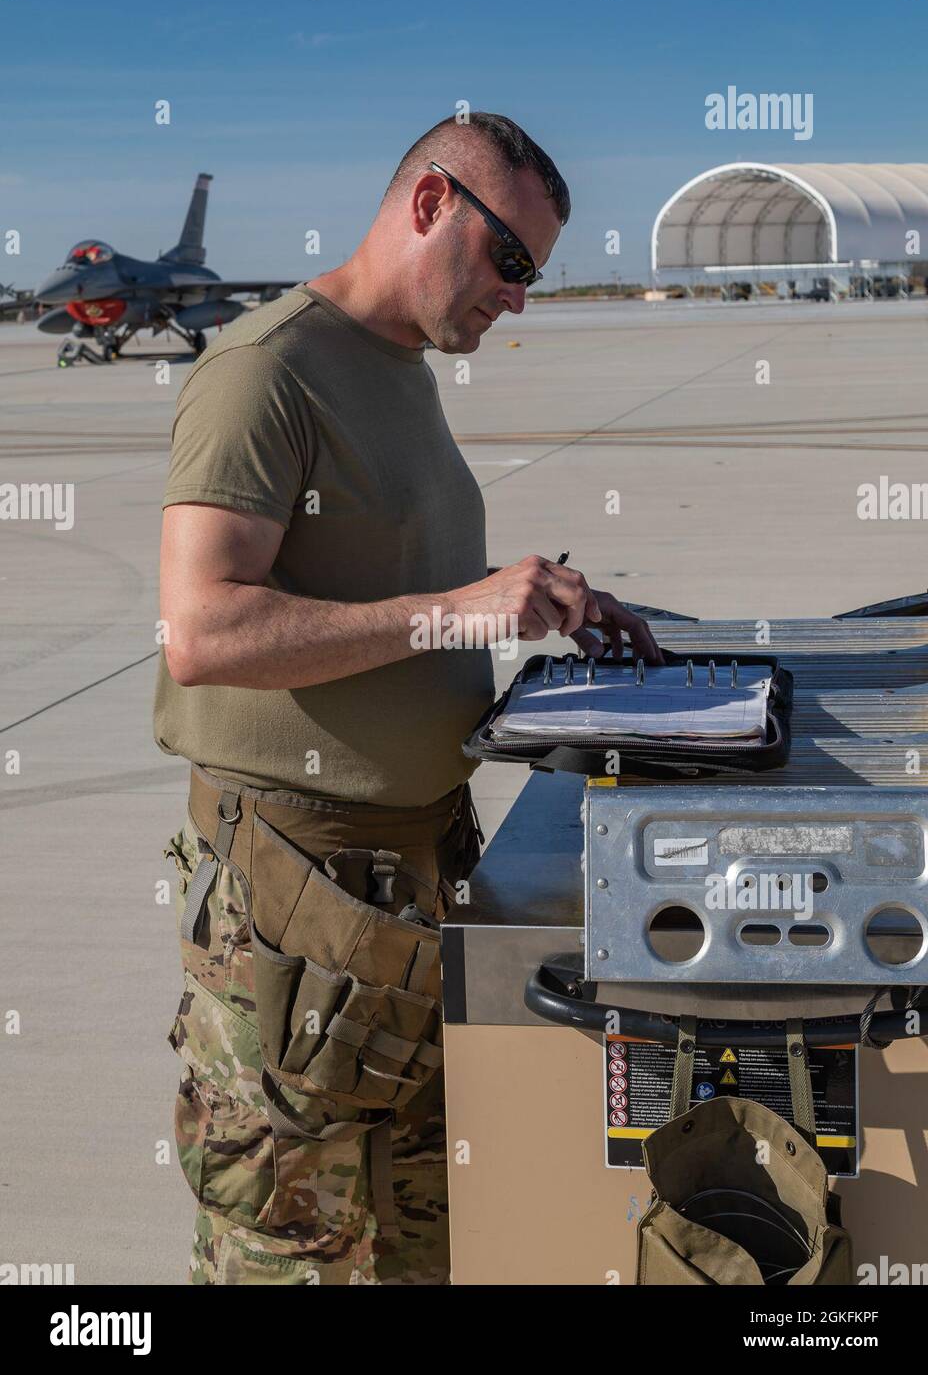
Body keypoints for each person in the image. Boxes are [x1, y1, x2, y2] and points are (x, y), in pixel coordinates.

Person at [155, 111, 660, 1285]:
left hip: (406, 882)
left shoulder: (397, 371)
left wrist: (540, 607)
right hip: (301, 900)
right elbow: (202, 631)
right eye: (509, 258)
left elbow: (389, 593)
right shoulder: (264, 371)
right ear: (431, 202)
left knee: (423, 1239)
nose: (518, 296)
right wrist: (463, 610)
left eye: (535, 273)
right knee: (299, 1248)